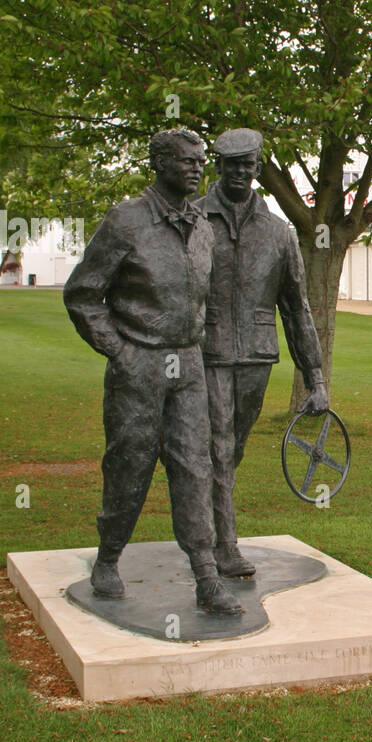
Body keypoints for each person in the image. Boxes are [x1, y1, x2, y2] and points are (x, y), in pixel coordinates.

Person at [62, 128, 243, 616]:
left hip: (187, 365)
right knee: (129, 464)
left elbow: (204, 301)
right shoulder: (126, 221)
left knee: (194, 466)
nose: (197, 168)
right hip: (139, 363)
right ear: (160, 163)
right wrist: (118, 351)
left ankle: (206, 575)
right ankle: (108, 558)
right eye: (187, 161)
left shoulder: (202, 226)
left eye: (201, 160)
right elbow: (82, 294)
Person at [201, 127, 329, 578]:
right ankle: (223, 546)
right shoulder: (192, 219)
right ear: (218, 166)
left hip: (256, 356)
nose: (240, 172)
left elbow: (297, 309)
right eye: (231, 164)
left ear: (257, 169)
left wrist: (315, 379)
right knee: (216, 447)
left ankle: (204, 528)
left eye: (248, 165)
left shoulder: (279, 233)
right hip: (206, 354)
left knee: (231, 450)